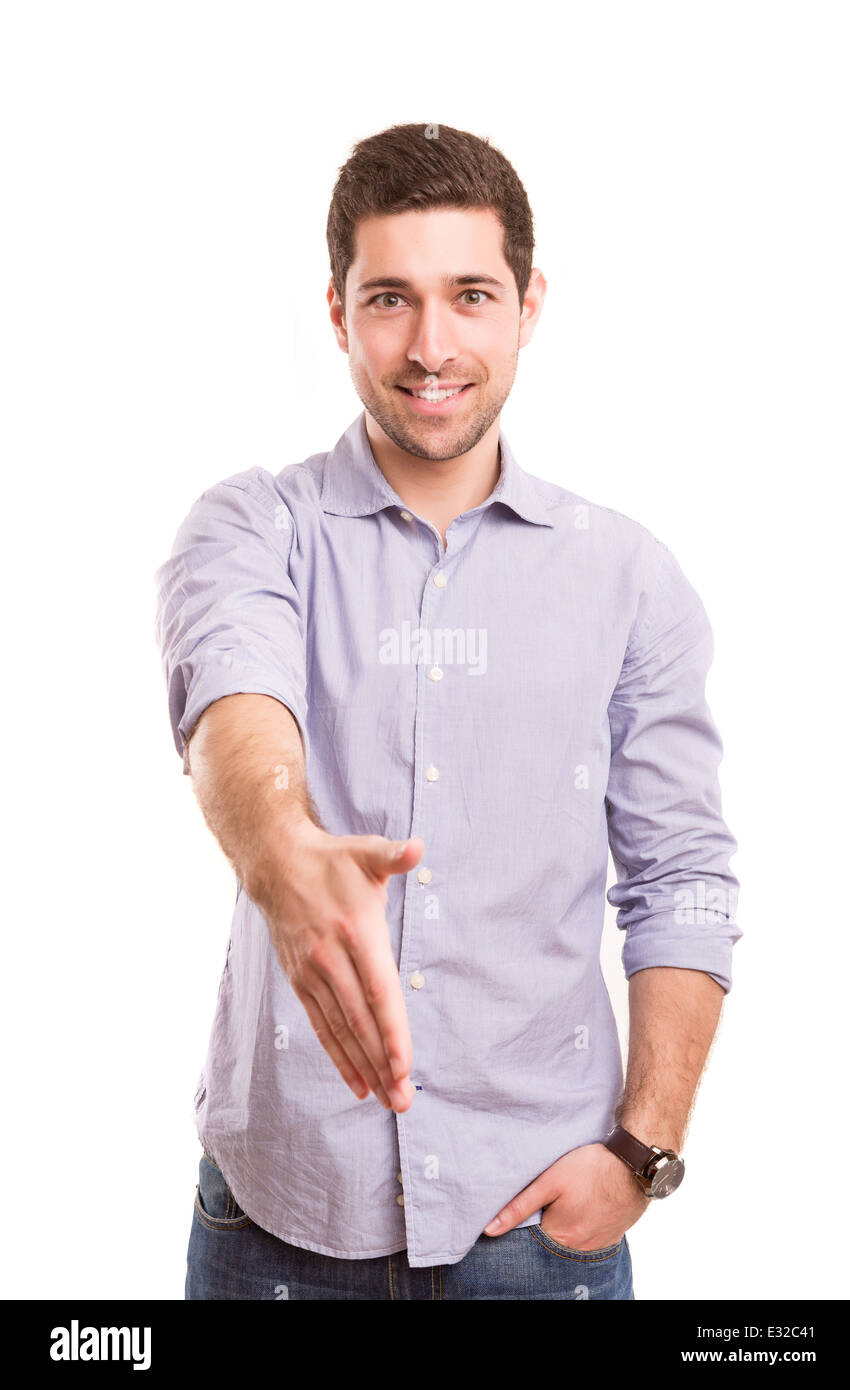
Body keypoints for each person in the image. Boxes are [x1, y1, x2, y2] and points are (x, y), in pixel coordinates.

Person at [154, 122, 741, 1301]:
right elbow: (231, 705)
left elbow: (681, 873)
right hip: (279, 1222)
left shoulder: (629, 579)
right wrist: (283, 846)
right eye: (389, 299)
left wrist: (642, 1150)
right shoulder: (250, 527)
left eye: (468, 295)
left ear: (527, 303)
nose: (430, 346)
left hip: (537, 1231)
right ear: (336, 314)